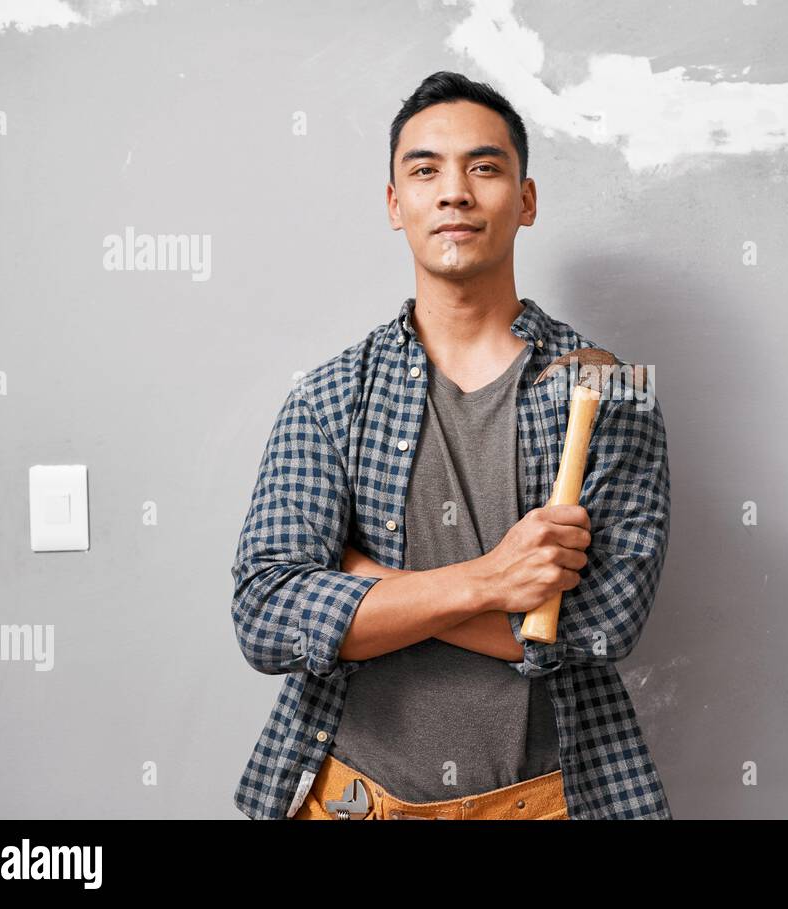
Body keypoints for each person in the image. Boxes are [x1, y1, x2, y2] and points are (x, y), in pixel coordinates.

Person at [229, 71, 673, 819]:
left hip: (552, 801)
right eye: (425, 169)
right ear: (395, 203)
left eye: (486, 167)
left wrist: (367, 585)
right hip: (352, 799)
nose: (455, 192)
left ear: (525, 201)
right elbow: (267, 612)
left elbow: (602, 624)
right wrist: (494, 581)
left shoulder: (609, 392)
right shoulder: (328, 397)